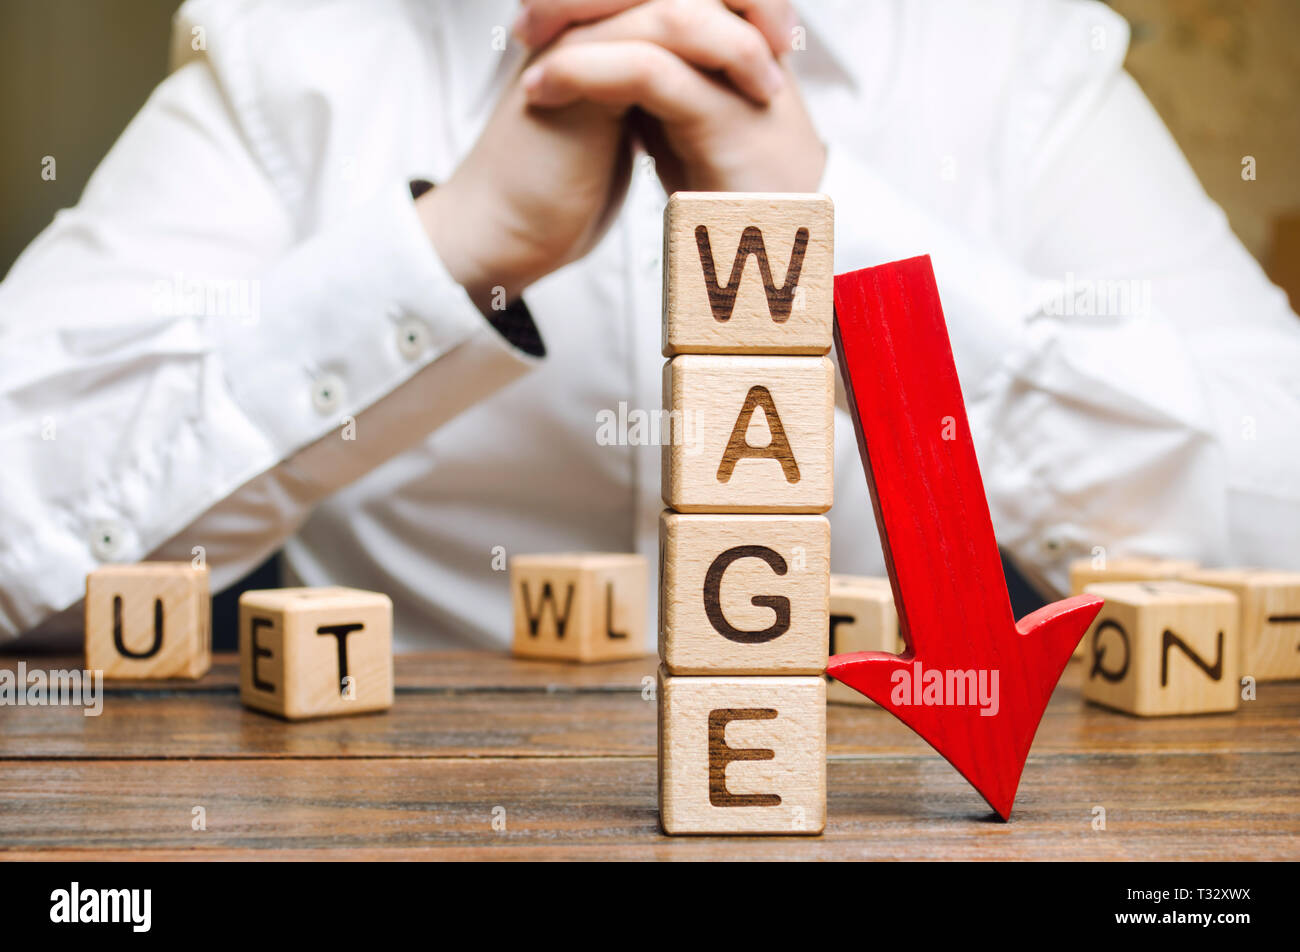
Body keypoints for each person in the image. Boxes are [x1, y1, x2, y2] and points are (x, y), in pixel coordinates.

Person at [1, 0, 1297, 651]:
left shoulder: (1004, 53)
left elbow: (1279, 529)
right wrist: (454, 254)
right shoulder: (302, 48)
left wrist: (830, 233)